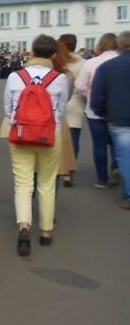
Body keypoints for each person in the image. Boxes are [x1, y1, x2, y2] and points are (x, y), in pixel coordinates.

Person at [4, 34, 70, 256]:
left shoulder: (16, 76)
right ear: (53, 54)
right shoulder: (59, 78)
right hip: (50, 135)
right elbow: (61, 109)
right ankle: (46, 231)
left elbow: (8, 109)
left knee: (22, 183)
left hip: (21, 134)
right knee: (47, 183)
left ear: (31, 52)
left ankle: (24, 225)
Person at [89, 31, 130, 210]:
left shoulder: (106, 67)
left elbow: (96, 97)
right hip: (118, 116)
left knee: (125, 156)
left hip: (118, 117)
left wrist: (102, 112)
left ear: (119, 46)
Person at [75, 32, 119, 188]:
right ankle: (117, 169)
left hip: (95, 110)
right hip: (118, 110)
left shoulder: (91, 63)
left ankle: (102, 178)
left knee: (99, 144)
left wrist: (89, 95)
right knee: (117, 143)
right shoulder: (122, 61)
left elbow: (80, 86)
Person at [57, 34, 85, 186]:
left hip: (57, 102)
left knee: (57, 137)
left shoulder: (56, 61)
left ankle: (59, 166)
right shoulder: (83, 62)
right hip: (76, 102)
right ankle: (69, 172)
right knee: (73, 138)